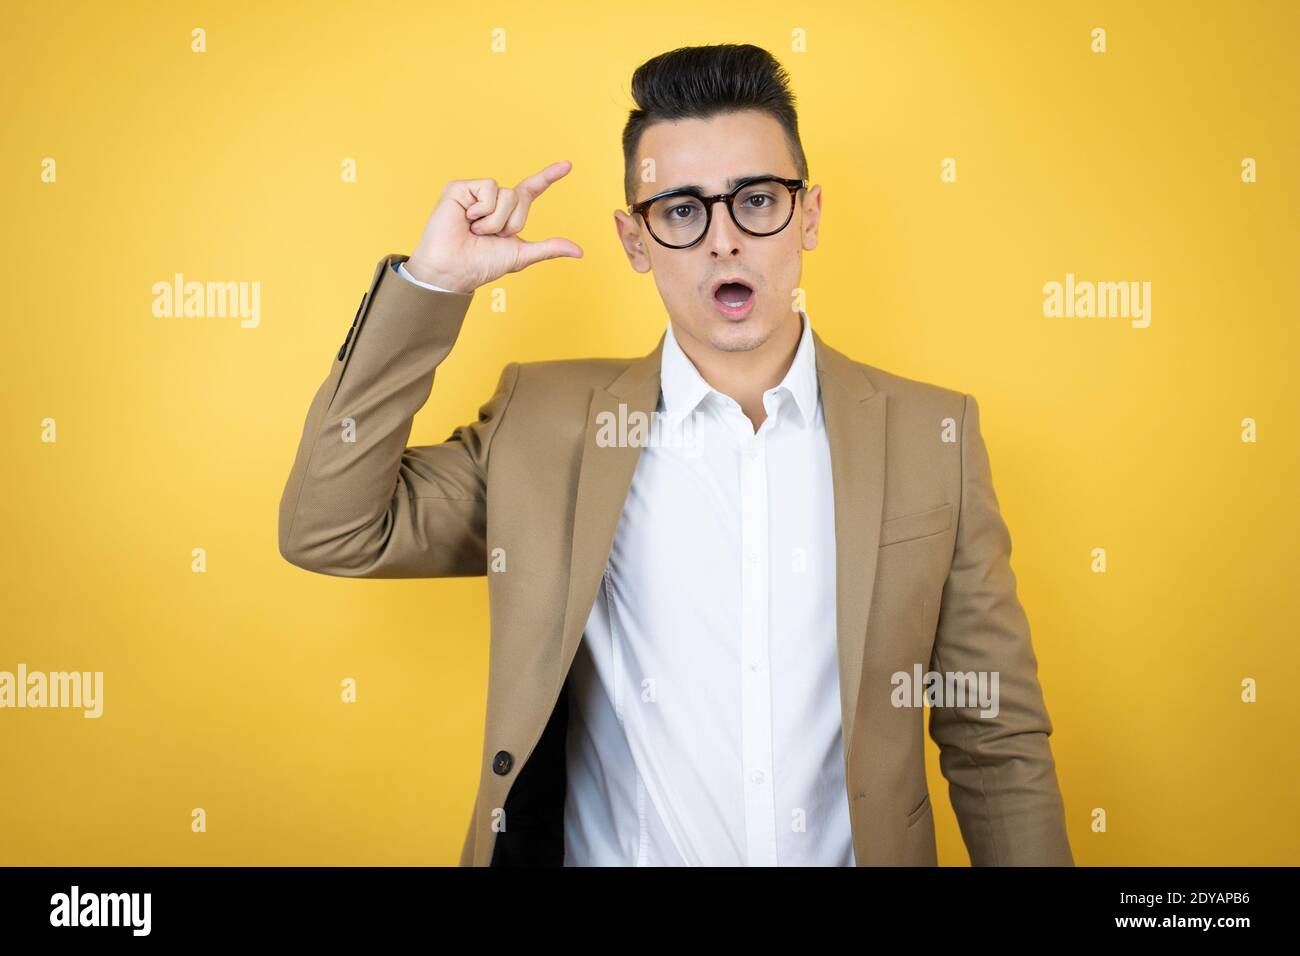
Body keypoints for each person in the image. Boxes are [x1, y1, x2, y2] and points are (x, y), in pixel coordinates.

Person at [278, 43, 1073, 867]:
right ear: (634, 239)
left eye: (757, 200)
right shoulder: (546, 429)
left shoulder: (930, 436)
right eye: (683, 210)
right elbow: (331, 527)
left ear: (809, 214)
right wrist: (432, 284)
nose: (725, 240)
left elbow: (996, 738)